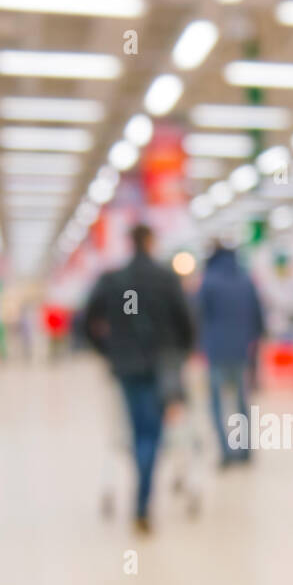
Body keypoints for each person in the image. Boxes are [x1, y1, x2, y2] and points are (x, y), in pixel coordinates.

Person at [83, 224, 194, 533]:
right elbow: (186, 325)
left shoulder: (113, 280)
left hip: (126, 369)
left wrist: (108, 351)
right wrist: (178, 356)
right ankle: (142, 502)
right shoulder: (166, 279)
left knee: (137, 430)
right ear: (151, 241)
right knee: (152, 434)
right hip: (160, 367)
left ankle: (142, 497)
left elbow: (84, 323)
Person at [197, 240, 265, 467]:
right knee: (240, 402)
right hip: (241, 349)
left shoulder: (209, 281)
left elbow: (199, 315)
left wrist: (199, 345)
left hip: (216, 350)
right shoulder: (245, 280)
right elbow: (258, 316)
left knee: (217, 403)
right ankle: (245, 450)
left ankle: (226, 450)